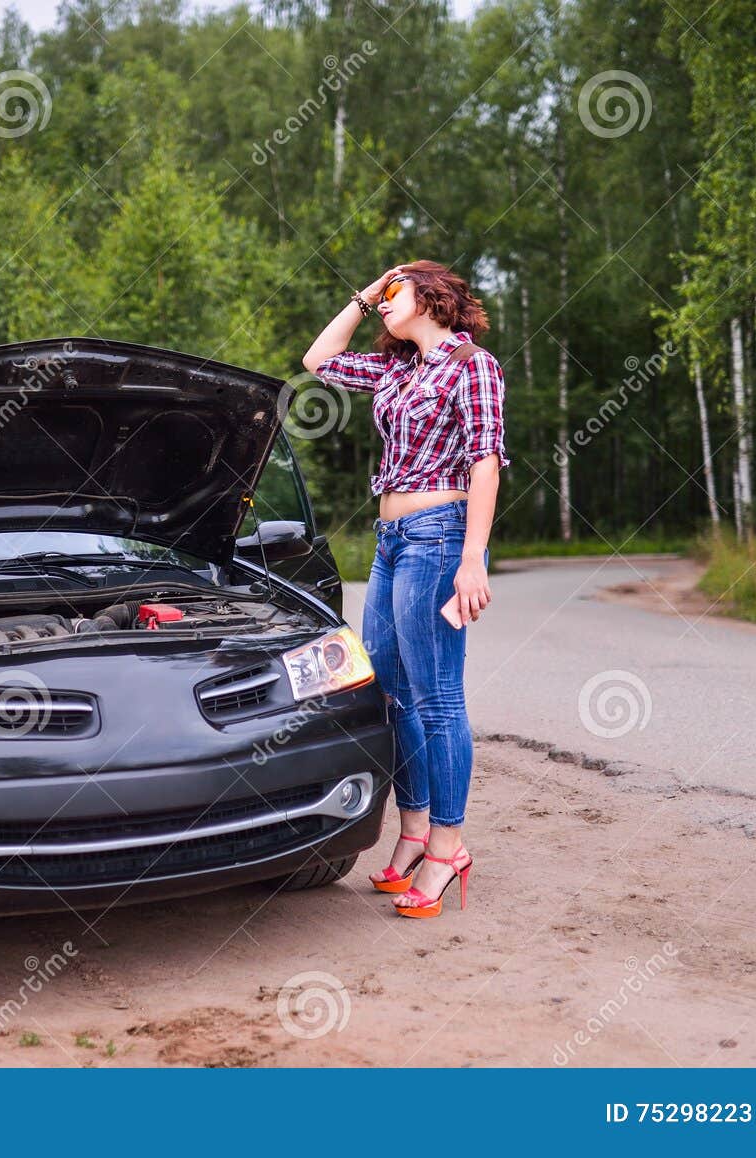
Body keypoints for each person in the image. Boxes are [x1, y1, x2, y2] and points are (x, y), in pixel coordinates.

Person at [302, 260, 508, 918]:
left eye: (397, 291)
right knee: (387, 690)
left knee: (437, 697)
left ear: (433, 298)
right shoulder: (397, 369)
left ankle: (449, 846)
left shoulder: (472, 365)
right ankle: (415, 829)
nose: (386, 302)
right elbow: (318, 359)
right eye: (384, 293)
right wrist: (366, 295)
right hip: (391, 542)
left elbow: (485, 459)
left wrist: (473, 558)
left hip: (439, 538)